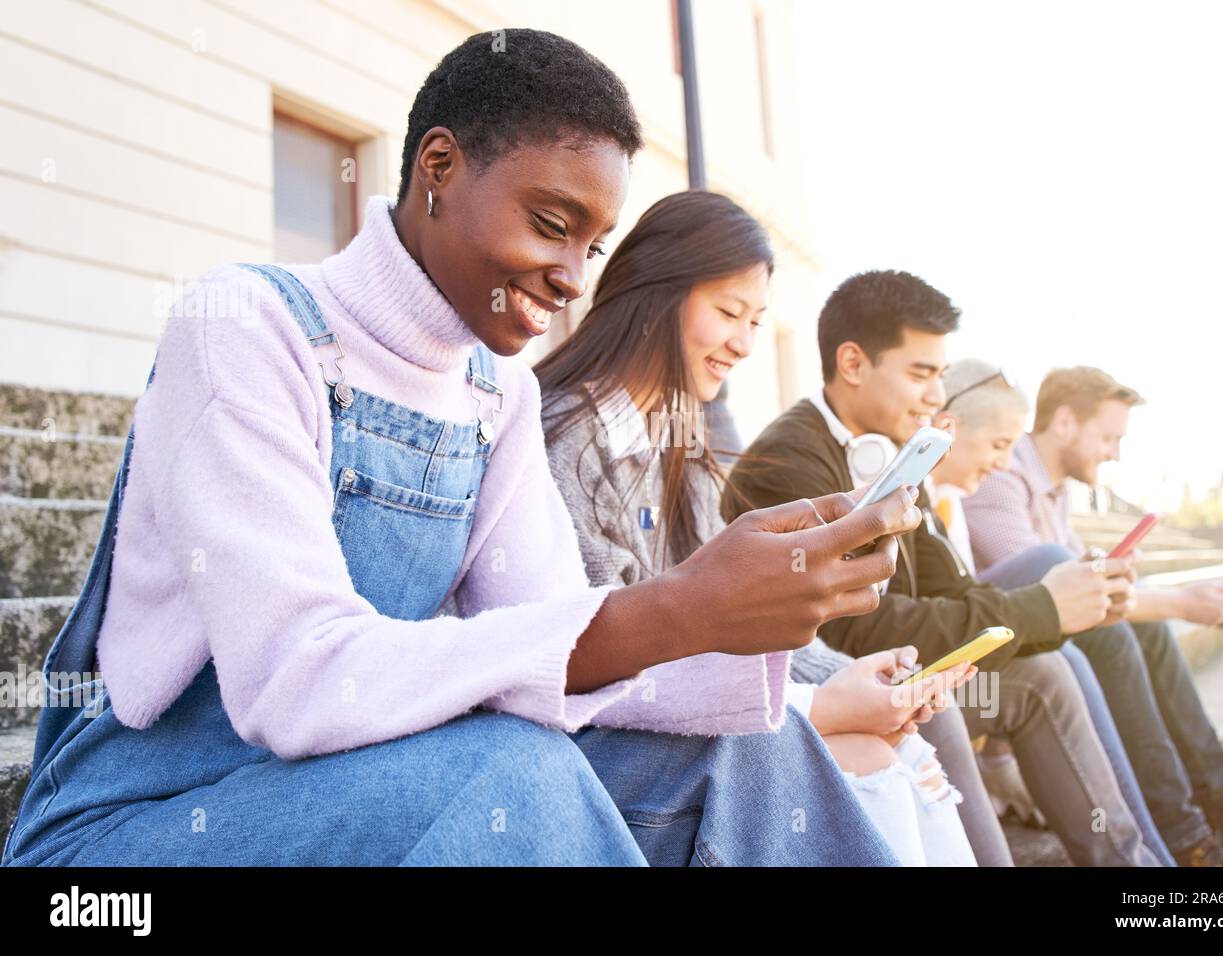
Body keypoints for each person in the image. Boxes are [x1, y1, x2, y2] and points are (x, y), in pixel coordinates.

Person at [2, 30, 918, 868]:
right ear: (438, 167)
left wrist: (734, 619)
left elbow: (557, 657)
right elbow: (296, 677)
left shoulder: (499, 396)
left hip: (372, 785)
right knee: (509, 777)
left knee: (751, 751)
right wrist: (681, 606)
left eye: (593, 248)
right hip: (137, 831)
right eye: (554, 224)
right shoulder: (246, 325)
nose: (569, 280)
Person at [536, 190, 978, 865]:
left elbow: (735, 615)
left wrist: (853, 672)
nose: (744, 343)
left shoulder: (676, 444)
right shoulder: (563, 439)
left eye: (756, 320)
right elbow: (611, 656)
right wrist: (821, 701)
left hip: (677, 720)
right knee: (865, 752)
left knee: (902, 738)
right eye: (728, 313)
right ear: (655, 296)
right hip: (600, 750)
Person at [724, 269, 1166, 866]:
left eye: (940, 374)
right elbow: (850, 631)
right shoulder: (787, 463)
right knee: (946, 701)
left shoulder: (902, 449)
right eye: (921, 374)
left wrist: (1044, 614)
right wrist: (1043, 606)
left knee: (1045, 676)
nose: (937, 395)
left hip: (904, 667)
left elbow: (949, 587)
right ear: (852, 364)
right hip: (827, 687)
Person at [963, 365, 1223, 866]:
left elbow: (1083, 582)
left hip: (1028, 640)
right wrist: (1186, 602)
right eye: (1108, 437)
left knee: (1152, 631)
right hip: (994, 658)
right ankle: (1184, 839)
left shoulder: (1052, 492)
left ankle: (1220, 804)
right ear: (1064, 423)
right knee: (1116, 633)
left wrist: (1186, 593)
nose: (1115, 453)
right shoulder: (998, 478)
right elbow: (1049, 591)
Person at [930, 358, 1175, 866]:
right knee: (1065, 620)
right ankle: (1163, 850)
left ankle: (1177, 838)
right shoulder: (978, 489)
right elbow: (1018, 584)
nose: (1005, 460)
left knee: (1077, 651)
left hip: (971, 667)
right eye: (999, 446)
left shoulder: (959, 499)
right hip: (940, 675)